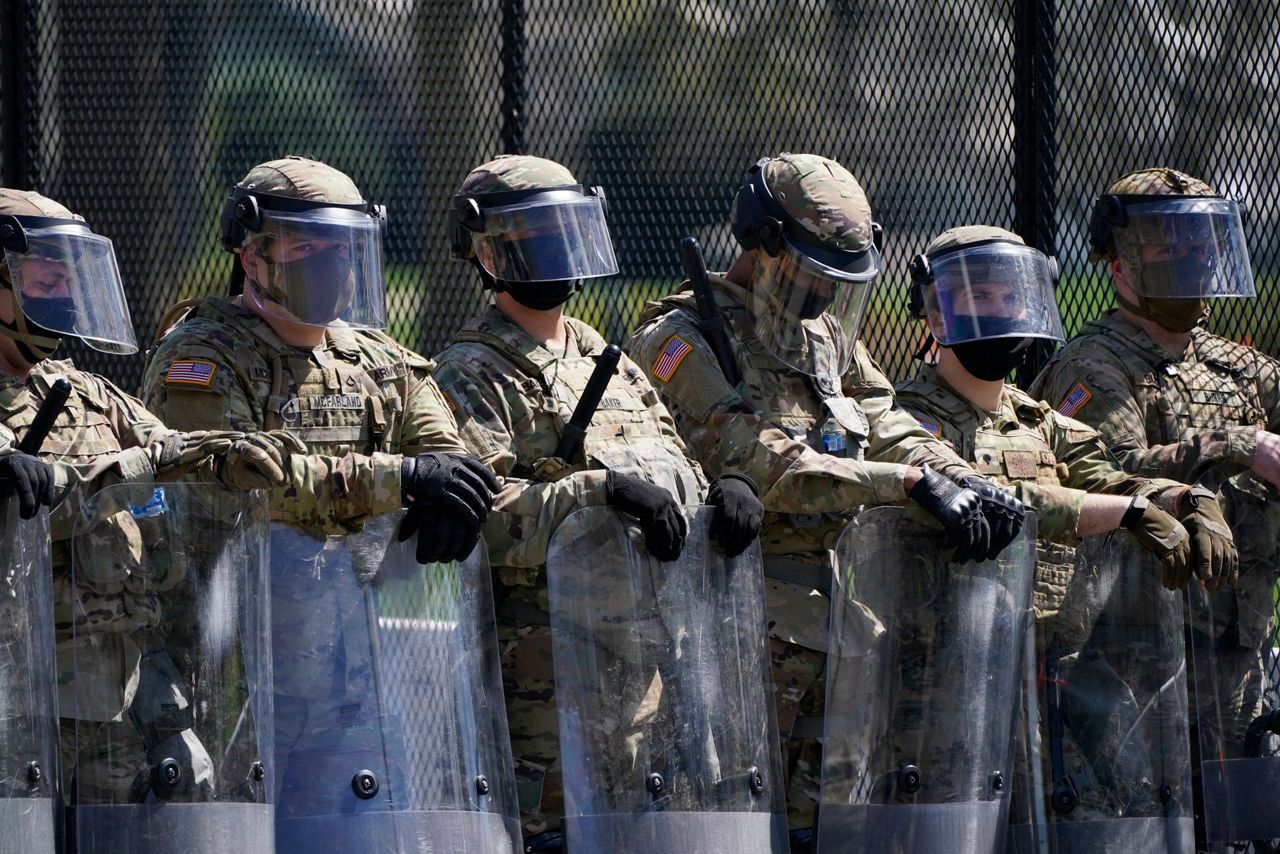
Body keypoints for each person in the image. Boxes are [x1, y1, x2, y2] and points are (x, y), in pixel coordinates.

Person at [625, 153, 1023, 831]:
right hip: (732, 638)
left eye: (838, 278)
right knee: (731, 823)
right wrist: (910, 484)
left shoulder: (826, 339)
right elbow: (766, 462)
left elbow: (887, 418)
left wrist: (959, 476)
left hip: (841, 629)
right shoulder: (681, 339)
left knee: (832, 827)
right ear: (764, 242)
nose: (824, 294)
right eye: (813, 271)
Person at [141, 156, 498, 822]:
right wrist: (403, 479)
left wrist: (451, 486)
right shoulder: (202, 358)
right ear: (253, 259)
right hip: (228, 670)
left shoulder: (374, 357)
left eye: (342, 250)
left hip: (349, 675)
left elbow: (444, 447)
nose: (331, 267)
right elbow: (245, 481)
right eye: (308, 250)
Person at [434, 154, 764, 844]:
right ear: (489, 250)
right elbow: (481, 511)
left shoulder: (604, 359)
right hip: (548, 680)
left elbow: (674, 466)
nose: (555, 250)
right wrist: (599, 492)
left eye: (563, 229)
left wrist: (721, 491)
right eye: (533, 235)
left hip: (653, 665)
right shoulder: (470, 371)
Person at [895, 223, 1236, 825]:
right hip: (948, 684)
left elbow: (1108, 477)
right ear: (934, 312)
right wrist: (1126, 513)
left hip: (1054, 677)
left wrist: (1185, 498)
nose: (996, 313)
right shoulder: (906, 421)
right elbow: (1000, 497)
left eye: (1007, 297)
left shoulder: (1039, 420)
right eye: (977, 298)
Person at [0, 187, 301, 804]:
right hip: (23, 700)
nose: (60, 297)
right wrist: (146, 463)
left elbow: (179, 450)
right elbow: (48, 492)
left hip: (126, 692)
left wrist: (235, 457)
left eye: (65, 282)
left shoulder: (84, 390)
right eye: (42, 280)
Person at [1031, 167, 1280, 836]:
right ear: (1119, 264)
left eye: (1199, 243)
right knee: (1143, 825)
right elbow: (1104, 474)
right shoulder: (1095, 363)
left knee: (1243, 824)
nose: (1190, 260)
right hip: (1137, 657)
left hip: (1241, 647)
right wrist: (1235, 443)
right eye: (1168, 246)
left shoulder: (1241, 367)